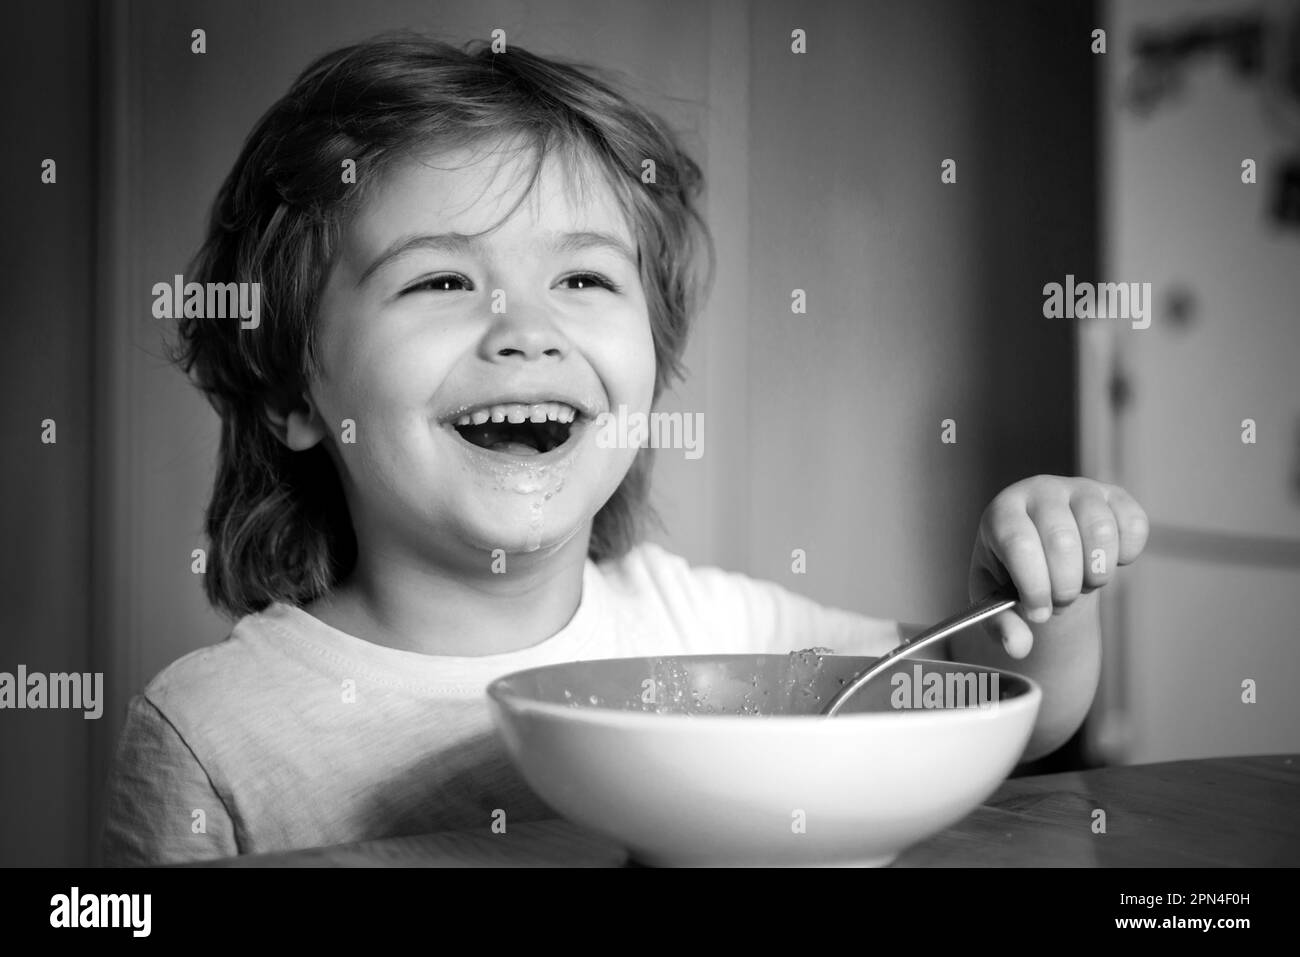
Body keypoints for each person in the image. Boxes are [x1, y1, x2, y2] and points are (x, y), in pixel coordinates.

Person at [101, 35, 1149, 865]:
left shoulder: (709, 631)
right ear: (292, 390)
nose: (526, 328)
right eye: (439, 281)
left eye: (585, 280)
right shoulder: (213, 733)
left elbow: (1001, 702)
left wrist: (1029, 591)